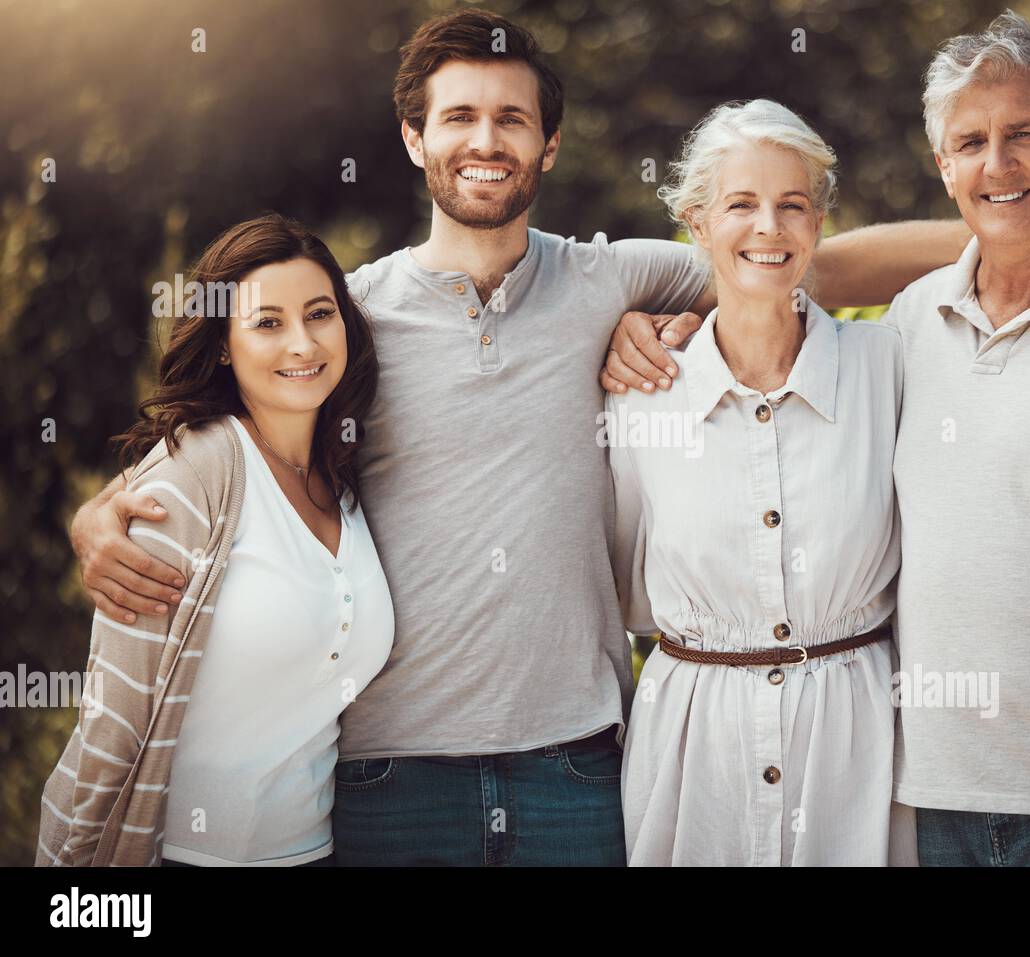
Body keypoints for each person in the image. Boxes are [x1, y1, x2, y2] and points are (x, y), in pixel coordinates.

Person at [65, 9, 968, 867]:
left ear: (549, 144)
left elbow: (800, 263)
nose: (486, 141)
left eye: (513, 119)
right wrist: (103, 513)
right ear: (416, 138)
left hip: (574, 770)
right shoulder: (351, 317)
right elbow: (233, 439)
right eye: (459, 116)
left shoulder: (612, 277)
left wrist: (1005, 235)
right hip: (388, 776)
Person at [604, 11, 1030, 867]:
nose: (997, 164)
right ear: (943, 166)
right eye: (972, 144)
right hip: (931, 812)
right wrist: (692, 312)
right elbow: (793, 264)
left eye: (1022, 134)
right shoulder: (912, 326)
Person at [608, 99, 913, 865]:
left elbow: (1001, 245)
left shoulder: (889, 366)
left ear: (819, 226)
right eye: (741, 205)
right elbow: (623, 584)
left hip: (858, 751)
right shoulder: (638, 390)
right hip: (692, 755)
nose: (770, 227)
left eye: (794, 206)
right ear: (695, 220)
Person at [38, 214, 393, 866]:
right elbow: (112, 723)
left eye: (320, 313)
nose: (302, 343)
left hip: (313, 855)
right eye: (267, 323)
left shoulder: (346, 477)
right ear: (224, 344)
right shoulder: (190, 478)